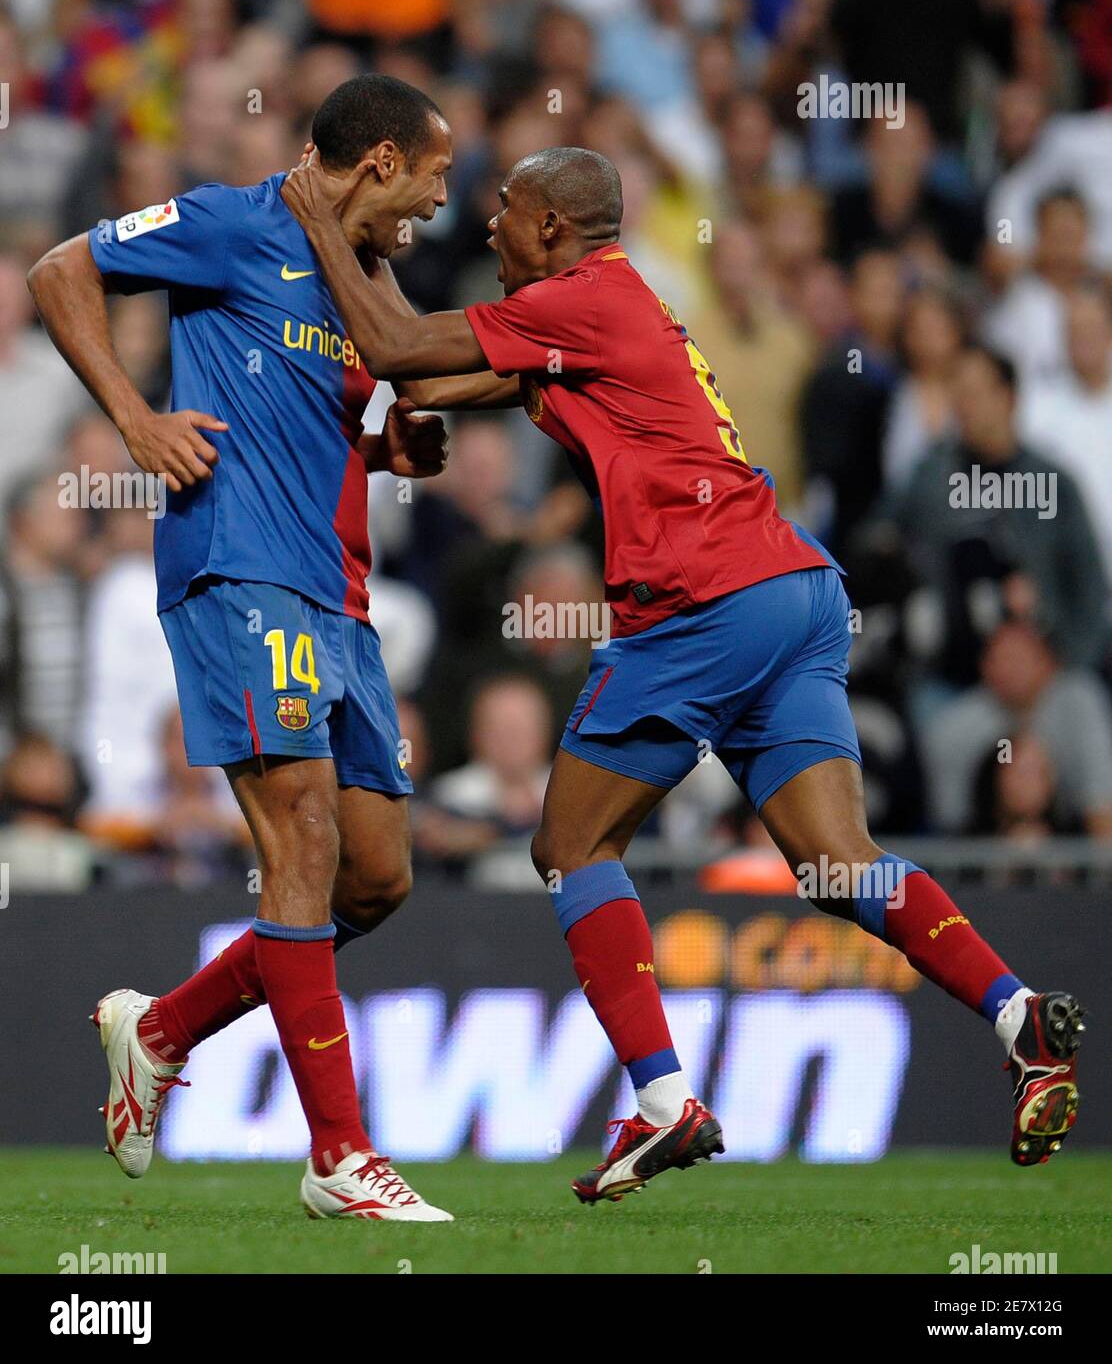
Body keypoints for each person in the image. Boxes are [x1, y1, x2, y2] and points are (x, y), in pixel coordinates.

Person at [280, 142, 1086, 1201]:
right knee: (836, 862)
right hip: (791, 590)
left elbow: (392, 343)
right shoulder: (605, 309)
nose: (487, 228)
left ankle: (661, 1100)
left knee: (568, 844)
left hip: (705, 602)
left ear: (555, 231)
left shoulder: (577, 299)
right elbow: (430, 371)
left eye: (507, 214)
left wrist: (336, 223)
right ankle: (1015, 1012)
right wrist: (378, 401)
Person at [28, 73, 517, 1224]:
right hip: (239, 570)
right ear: (381, 161)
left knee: (376, 875)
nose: (441, 202)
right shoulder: (231, 221)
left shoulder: (369, 282)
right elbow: (61, 272)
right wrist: (134, 418)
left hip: (337, 592)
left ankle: (160, 1030)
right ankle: (340, 1155)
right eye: (435, 175)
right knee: (299, 828)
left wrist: (388, 449)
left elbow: (310, 412)